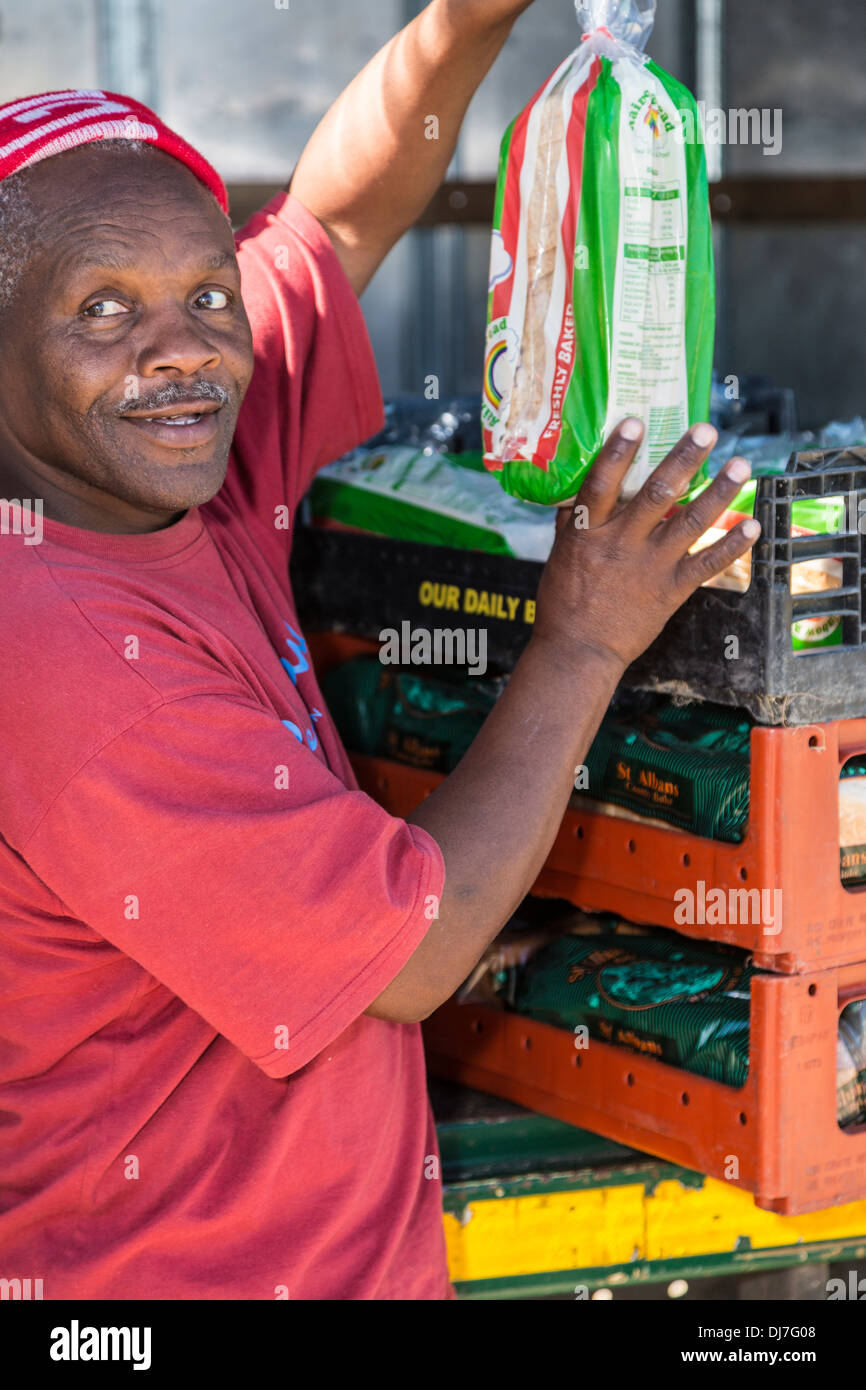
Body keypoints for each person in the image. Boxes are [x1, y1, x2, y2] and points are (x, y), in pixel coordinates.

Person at [0, 0, 757, 1300]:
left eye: (204, 293)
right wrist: (579, 637)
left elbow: (335, 222)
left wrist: (466, 21)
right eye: (102, 309)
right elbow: (410, 957)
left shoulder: (164, 479)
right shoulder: (61, 661)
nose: (180, 348)